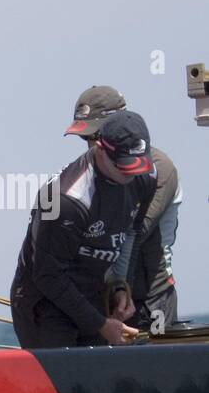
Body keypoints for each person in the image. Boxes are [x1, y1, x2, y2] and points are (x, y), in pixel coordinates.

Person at [10, 111, 155, 349]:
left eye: (139, 168)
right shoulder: (65, 200)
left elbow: (132, 232)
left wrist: (120, 284)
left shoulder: (146, 178)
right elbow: (47, 275)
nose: (131, 176)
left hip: (92, 291)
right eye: (123, 167)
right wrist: (100, 324)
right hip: (45, 301)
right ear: (100, 148)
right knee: (63, 383)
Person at [64, 85, 181, 332]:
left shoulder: (159, 169)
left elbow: (130, 234)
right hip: (108, 295)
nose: (91, 146)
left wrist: (119, 288)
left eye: (96, 136)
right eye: (86, 139)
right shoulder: (91, 173)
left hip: (151, 297)